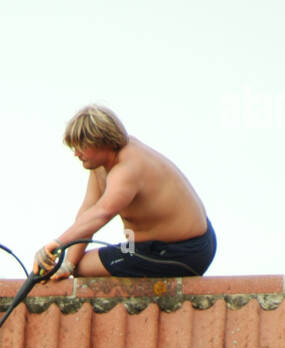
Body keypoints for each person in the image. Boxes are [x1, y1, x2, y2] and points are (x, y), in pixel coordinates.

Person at [34, 104, 216, 280]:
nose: (76, 154)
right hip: (142, 248)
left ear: (101, 141)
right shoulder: (101, 167)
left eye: (81, 147)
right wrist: (68, 264)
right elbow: (87, 214)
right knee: (79, 264)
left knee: (85, 267)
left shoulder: (128, 167)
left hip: (183, 252)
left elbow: (101, 214)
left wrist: (57, 244)